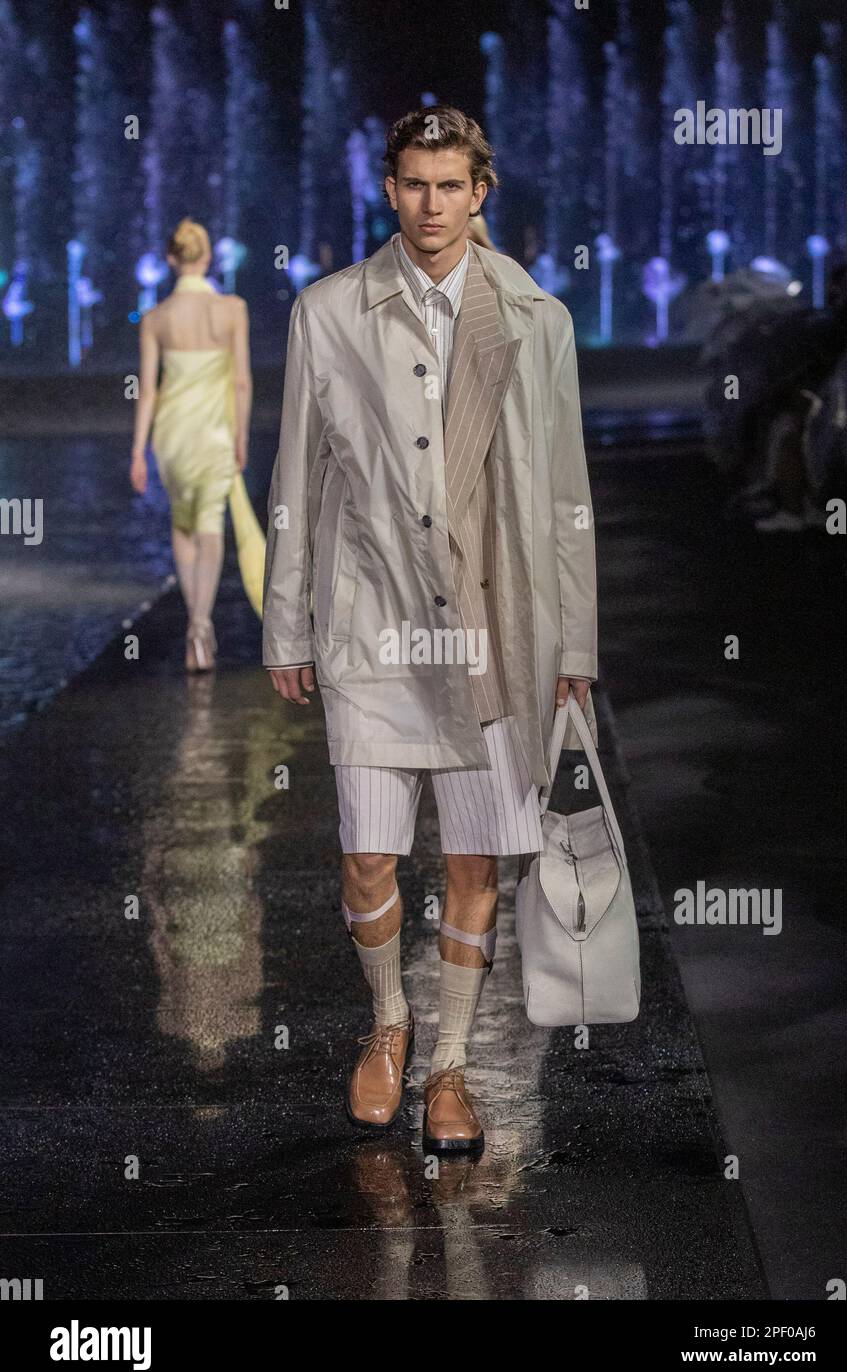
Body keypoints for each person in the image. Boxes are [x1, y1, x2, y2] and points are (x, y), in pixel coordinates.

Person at [263, 106, 598, 1157]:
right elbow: (293, 475)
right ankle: (386, 1022)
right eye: (412, 183)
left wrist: (575, 647)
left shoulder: (535, 319)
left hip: (493, 628)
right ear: (389, 189)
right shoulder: (326, 312)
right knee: (367, 855)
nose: (430, 206)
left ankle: (448, 1061)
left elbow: (563, 498)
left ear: (480, 190)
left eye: (449, 185)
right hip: (371, 621)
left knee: (470, 863)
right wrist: (285, 625)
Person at [130, 218, 253, 672]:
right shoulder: (232, 309)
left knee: (182, 525)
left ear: (169, 260)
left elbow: (148, 390)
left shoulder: (155, 318)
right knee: (208, 525)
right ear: (207, 259)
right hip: (215, 433)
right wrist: (241, 435)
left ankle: (194, 622)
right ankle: (201, 625)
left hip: (172, 436)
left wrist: (137, 450)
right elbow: (241, 381)